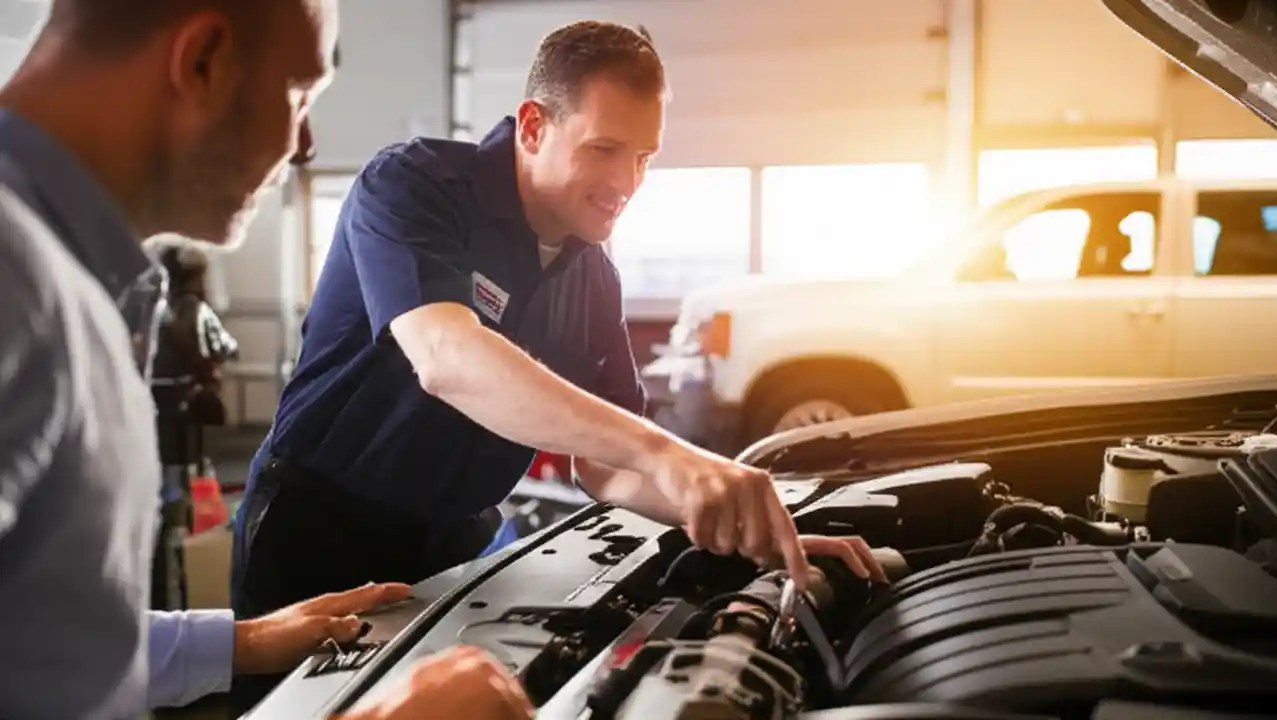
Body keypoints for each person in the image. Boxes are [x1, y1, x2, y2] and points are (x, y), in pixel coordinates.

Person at [233, 19, 886, 623]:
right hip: (317, 529)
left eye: (644, 157)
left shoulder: (595, 277)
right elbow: (445, 357)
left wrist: (744, 526)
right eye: (604, 148)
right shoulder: (415, 188)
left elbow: (603, 470)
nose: (626, 181)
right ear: (533, 127)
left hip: (453, 542)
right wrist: (666, 452)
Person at [0, 1, 532, 718]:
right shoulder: (15, 282)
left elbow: (43, 637)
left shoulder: (72, 280)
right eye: (299, 95)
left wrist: (241, 643)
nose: (305, 143)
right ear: (203, 63)